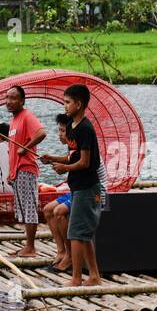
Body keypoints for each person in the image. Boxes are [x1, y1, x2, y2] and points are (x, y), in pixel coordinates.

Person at [49, 83, 104, 287]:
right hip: (77, 188)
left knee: (76, 234)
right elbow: (72, 156)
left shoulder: (85, 129)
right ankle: (95, 277)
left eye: (68, 102)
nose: (65, 106)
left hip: (87, 188)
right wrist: (53, 158)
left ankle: (76, 278)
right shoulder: (72, 127)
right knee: (84, 234)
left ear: (79, 104)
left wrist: (65, 169)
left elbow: (85, 162)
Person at [4, 84, 47, 257]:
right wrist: (10, 172)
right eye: (7, 98)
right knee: (22, 208)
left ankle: (31, 247)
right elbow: (12, 150)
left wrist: (26, 147)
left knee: (29, 207)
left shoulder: (27, 116)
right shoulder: (13, 120)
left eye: (13, 98)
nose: (9, 101)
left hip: (27, 168)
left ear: (22, 101)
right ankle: (27, 245)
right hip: (17, 171)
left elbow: (42, 133)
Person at [41, 114, 74, 270]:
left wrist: (64, 168)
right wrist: (51, 159)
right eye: (59, 130)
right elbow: (68, 159)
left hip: (89, 193)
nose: (59, 134)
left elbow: (80, 165)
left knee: (59, 211)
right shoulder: (72, 147)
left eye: (62, 131)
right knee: (47, 209)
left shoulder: (80, 145)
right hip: (74, 191)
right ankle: (61, 251)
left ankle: (70, 254)